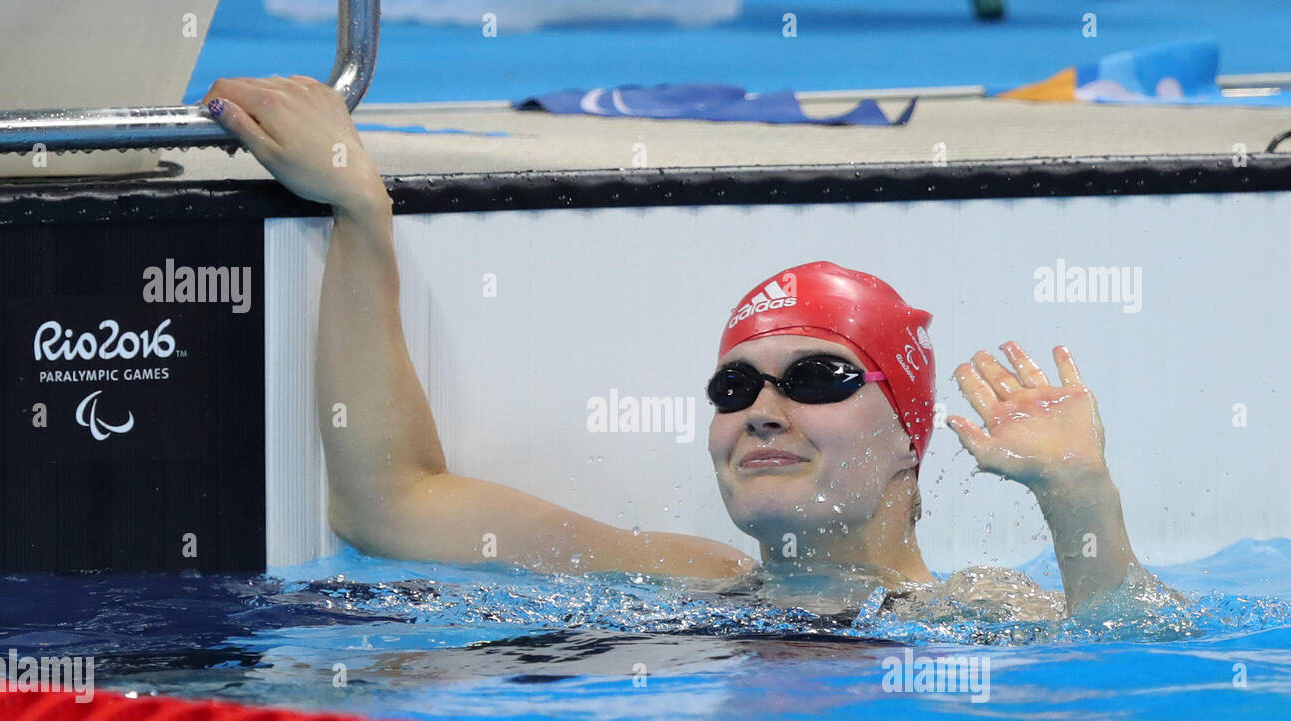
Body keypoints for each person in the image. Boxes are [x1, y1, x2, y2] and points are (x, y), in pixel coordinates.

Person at [201, 76, 1180, 619]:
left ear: (907, 437)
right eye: (732, 386)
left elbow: (1119, 663)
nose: (761, 408)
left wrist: (1081, 502)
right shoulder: (676, 577)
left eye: (817, 377)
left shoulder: (970, 613)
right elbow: (391, 502)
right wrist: (359, 210)